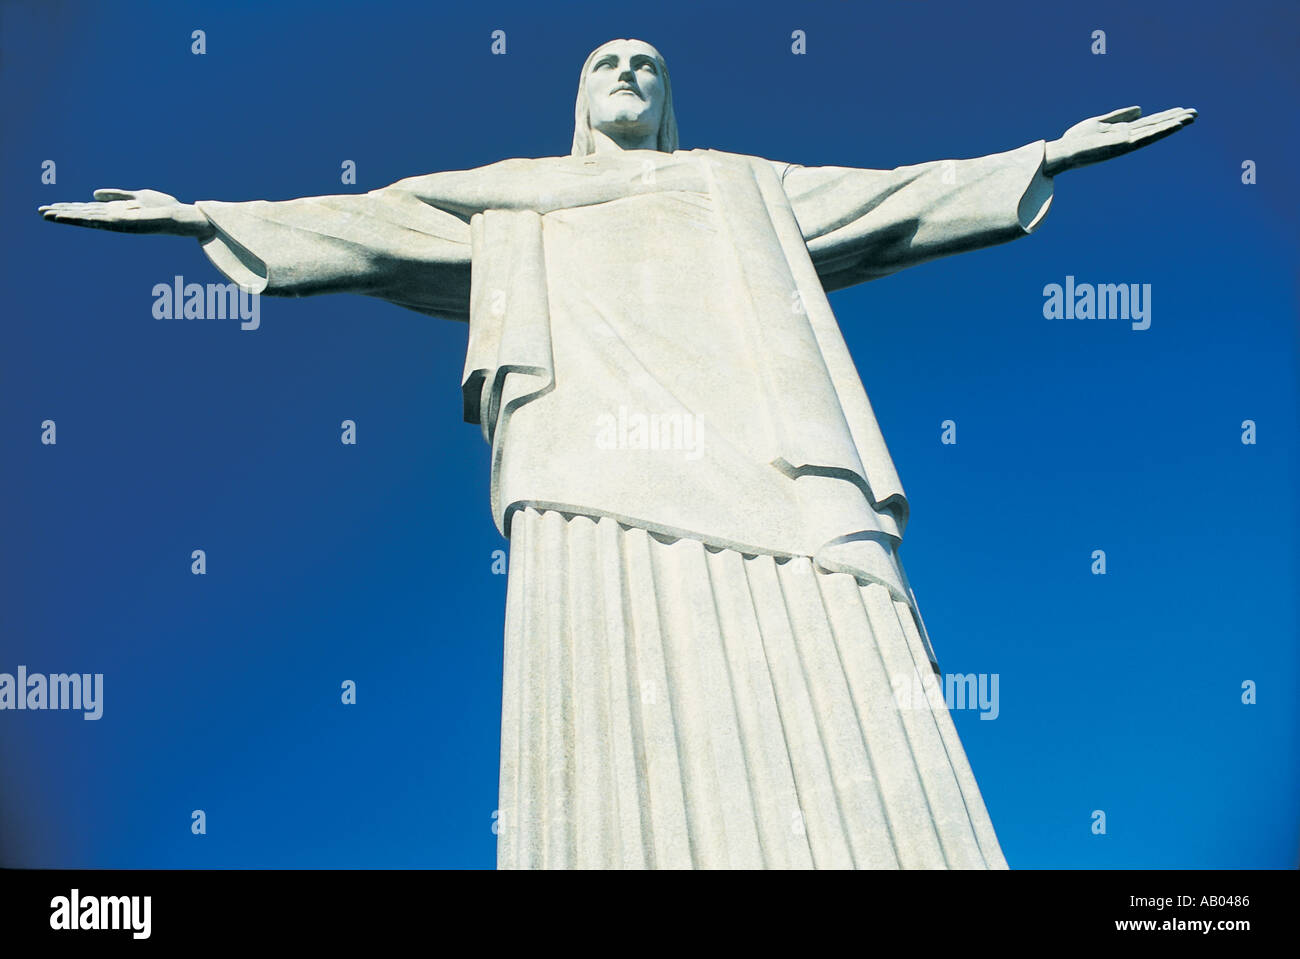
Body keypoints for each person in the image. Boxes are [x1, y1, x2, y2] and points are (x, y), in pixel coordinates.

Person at [40, 38, 1195, 869]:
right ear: (580, 99)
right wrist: (200, 215)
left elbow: (897, 198)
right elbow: (362, 224)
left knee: (844, 639)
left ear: (669, 100)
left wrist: (1039, 156)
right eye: (608, 65)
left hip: (776, 458)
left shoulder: (740, 184)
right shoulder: (513, 195)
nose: (631, 75)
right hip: (587, 467)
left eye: (649, 64)